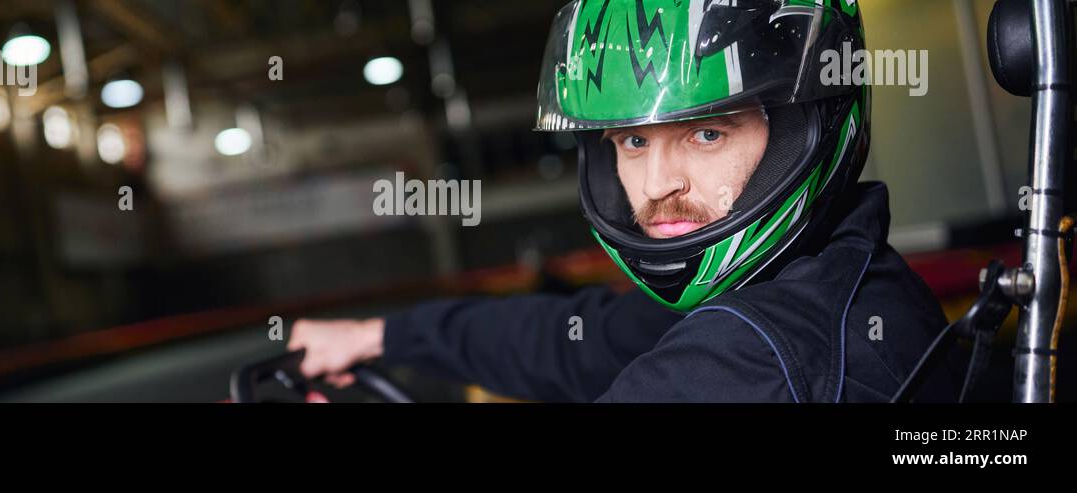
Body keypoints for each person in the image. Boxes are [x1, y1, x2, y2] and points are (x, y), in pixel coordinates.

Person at [289, 0, 964, 402]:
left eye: (707, 132)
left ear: (804, 129)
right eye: (632, 141)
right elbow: (574, 339)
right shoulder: (835, 280)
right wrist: (379, 336)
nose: (654, 185)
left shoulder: (759, 357)